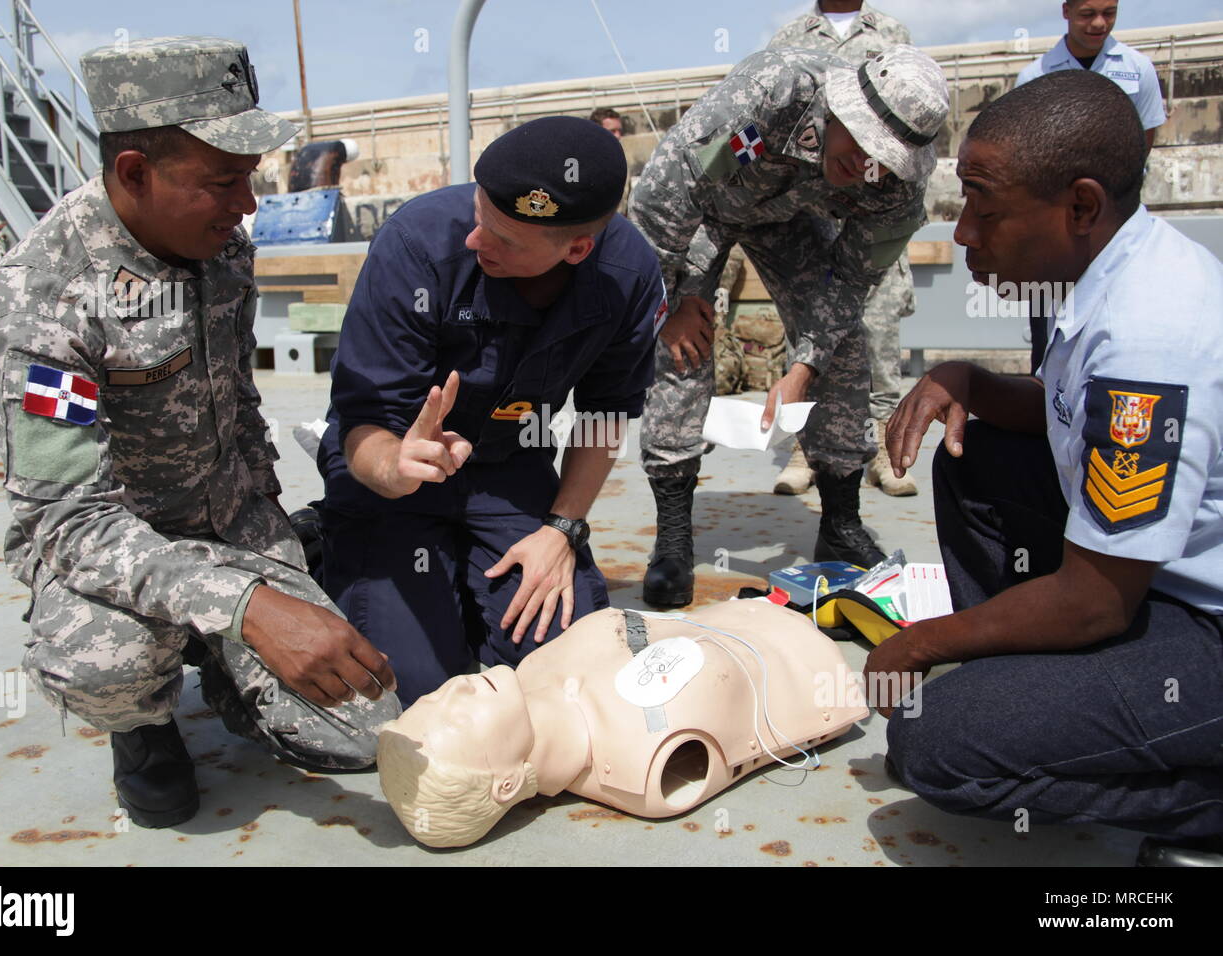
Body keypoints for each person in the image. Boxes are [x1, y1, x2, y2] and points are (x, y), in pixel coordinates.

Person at [0, 37, 399, 830]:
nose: (247, 205)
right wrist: (253, 608)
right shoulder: (44, 300)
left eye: (250, 179)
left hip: (230, 524)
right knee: (109, 663)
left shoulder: (221, 247)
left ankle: (225, 668)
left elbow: (237, 411)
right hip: (116, 550)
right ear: (134, 172)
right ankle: (141, 727)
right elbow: (70, 521)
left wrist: (272, 555)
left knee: (365, 728)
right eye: (222, 181)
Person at [871, 70, 1223, 867]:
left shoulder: (1148, 337)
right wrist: (968, 380)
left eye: (984, 208)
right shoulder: (1107, 267)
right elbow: (1065, 410)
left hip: (1197, 623)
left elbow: (1097, 599)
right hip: (1160, 586)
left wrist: (926, 643)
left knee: (933, 741)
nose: (963, 233)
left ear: (1082, 206)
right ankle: (1047, 691)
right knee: (979, 454)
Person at [316, 116, 665, 707]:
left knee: (569, 673)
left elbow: (606, 411)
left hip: (510, 469)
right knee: (419, 695)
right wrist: (395, 469)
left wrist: (561, 531)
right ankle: (336, 546)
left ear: (577, 249)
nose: (478, 242)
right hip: (393, 476)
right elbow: (362, 422)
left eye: (506, 241)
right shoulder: (416, 244)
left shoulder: (627, 277)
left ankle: (464, 589)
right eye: (481, 218)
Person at [631, 44, 949, 606]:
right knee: (683, 348)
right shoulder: (772, 95)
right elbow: (664, 198)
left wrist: (804, 365)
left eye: (883, 157)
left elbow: (850, 281)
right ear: (838, 109)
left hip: (789, 222)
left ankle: (841, 525)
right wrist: (672, 301)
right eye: (858, 141)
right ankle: (674, 539)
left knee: (845, 347)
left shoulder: (898, 191)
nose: (862, 167)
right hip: (705, 210)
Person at [378, 600, 867, 847]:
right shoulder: (643, 763)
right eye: (457, 715)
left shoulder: (534, 675)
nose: (457, 687)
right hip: (811, 660)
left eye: (435, 697)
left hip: (756, 615)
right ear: (505, 783)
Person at [769, 0, 920, 497]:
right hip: (813, 209)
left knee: (877, 330)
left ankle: (881, 444)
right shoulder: (790, 35)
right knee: (807, 327)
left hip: (869, 207)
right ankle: (803, 446)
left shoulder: (892, 32)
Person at [1016, 0, 1165, 149]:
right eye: (1087, 14)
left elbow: (1146, 135)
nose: (1099, 23)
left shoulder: (1139, 68)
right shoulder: (1033, 78)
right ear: (1066, 11)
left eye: (1109, 13)